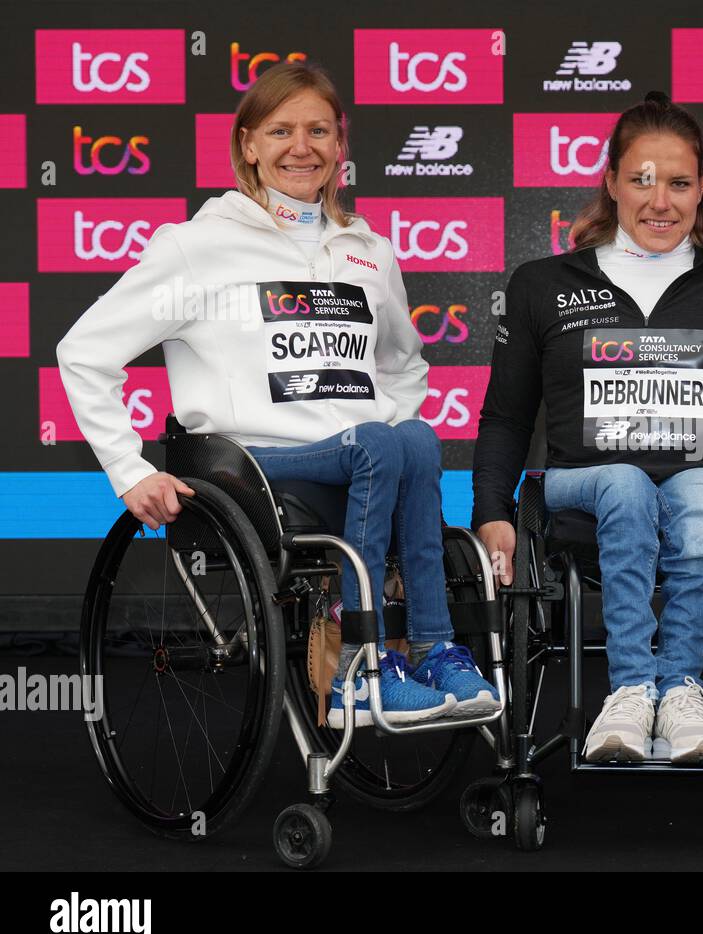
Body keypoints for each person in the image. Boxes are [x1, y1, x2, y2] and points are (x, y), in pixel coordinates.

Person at [56, 61, 499, 729]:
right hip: (252, 469)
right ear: (248, 146)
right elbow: (84, 352)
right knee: (386, 442)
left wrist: (395, 439)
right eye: (281, 130)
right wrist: (129, 470)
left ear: (340, 145)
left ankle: (436, 651)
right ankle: (358, 669)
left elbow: (404, 366)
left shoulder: (369, 252)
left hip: (359, 462)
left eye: (318, 130)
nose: (302, 147)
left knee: (414, 438)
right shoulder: (197, 247)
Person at [473, 92, 703, 764]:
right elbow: (507, 417)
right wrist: (490, 512)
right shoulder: (542, 283)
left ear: (701, 190)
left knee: (696, 492)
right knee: (628, 485)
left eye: (678, 182)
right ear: (611, 184)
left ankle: (682, 689)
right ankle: (632, 688)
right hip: (584, 492)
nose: (659, 201)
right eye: (640, 180)